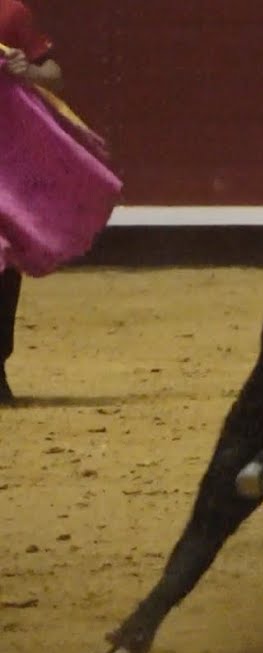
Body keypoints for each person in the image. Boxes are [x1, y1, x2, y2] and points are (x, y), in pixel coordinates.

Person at [0, 0, 63, 403]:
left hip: (4, 161)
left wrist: (30, 73)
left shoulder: (9, 11)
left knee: (2, 262)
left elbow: (54, 71)